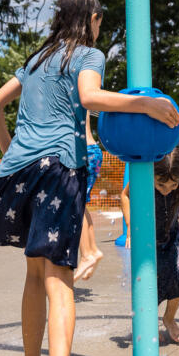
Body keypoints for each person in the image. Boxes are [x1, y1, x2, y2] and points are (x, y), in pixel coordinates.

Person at [0, 0, 179, 356]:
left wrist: (13, 152)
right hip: (60, 168)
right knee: (59, 281)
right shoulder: (88, 54)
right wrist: (144, 103)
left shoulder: (35, 60)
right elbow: (89, 98)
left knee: (33, 274)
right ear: (95, 19)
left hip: (18, 172)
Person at [120, 148, 179, 344]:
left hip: (171, 232)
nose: (167, 189)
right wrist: (129, 225)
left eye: (173, 185)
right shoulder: (144, 174)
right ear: (153, 174)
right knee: (149, 281)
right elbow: (125, 196)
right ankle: (148, 322)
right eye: (161, 184)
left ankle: (169, 318)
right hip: (146, 235)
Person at [73, 114, 105, 283]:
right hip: (91, 152)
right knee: (81, 204)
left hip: (84, 153)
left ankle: (87, 254)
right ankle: (92, 250)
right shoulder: (80, 89)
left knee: (75, 205)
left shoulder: (73, 89)